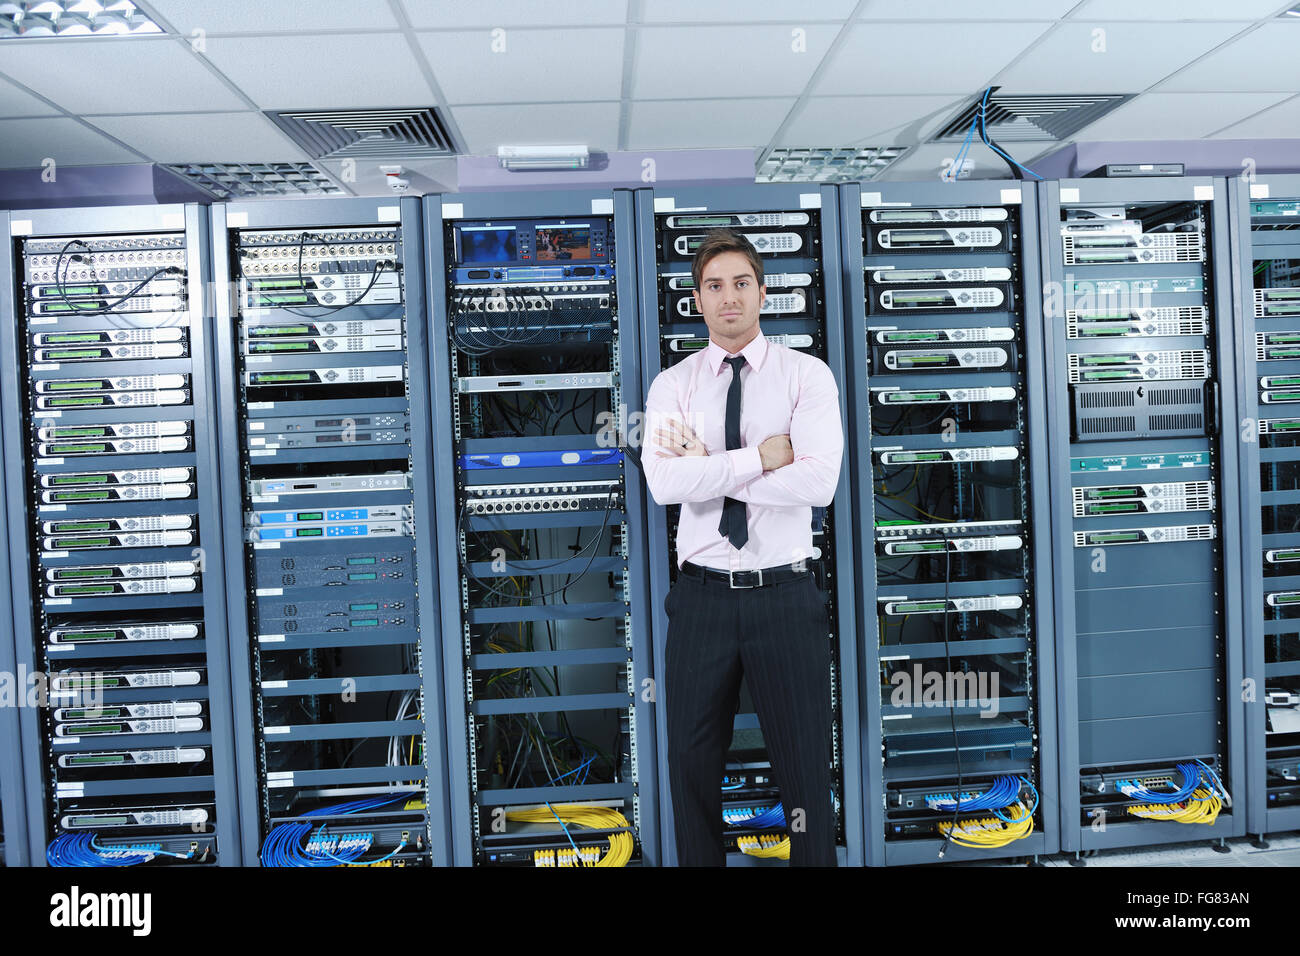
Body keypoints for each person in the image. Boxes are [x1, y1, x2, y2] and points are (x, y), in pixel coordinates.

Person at [641, 228, 844, 866]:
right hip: (700, 601)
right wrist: (760, 457)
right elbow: (664, 483)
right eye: (714, 286)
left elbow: (821, 481)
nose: (729, 297)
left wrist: (717, 468)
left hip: (784, 595)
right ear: (697, 301)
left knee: (805, 769)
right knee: (691, 767)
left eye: (741, 283)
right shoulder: (671, 387)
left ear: (762, 292)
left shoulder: (805, 376)